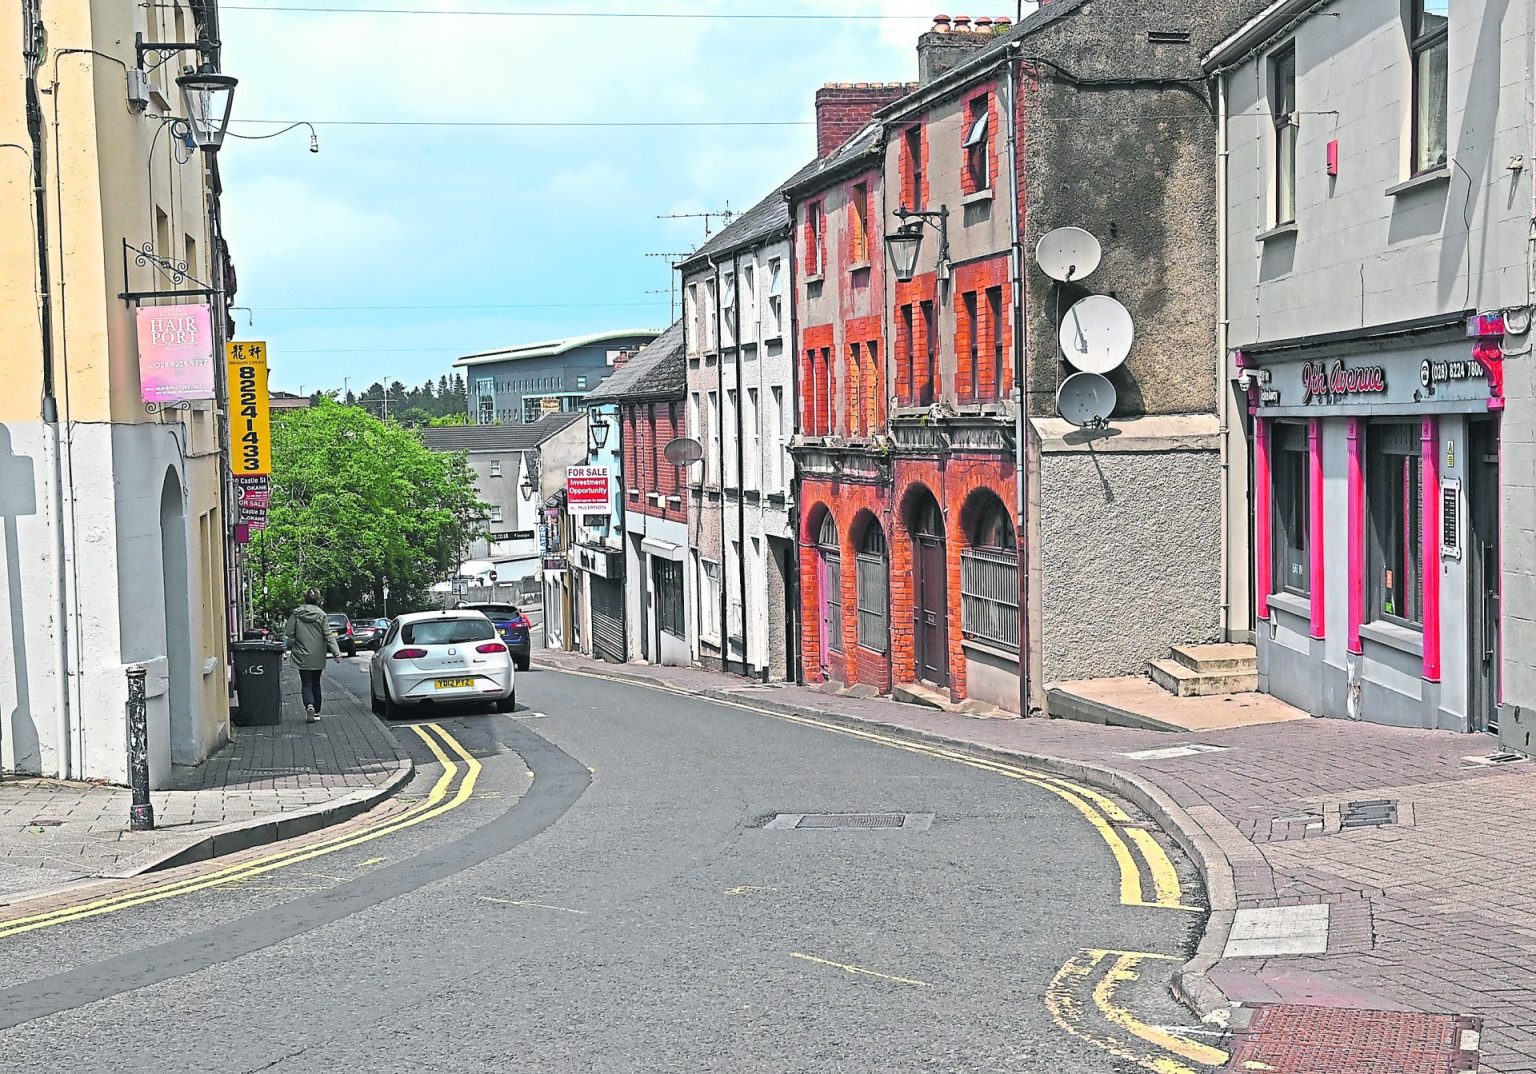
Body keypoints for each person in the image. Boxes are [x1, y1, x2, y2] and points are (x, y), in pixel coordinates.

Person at [285, 588, 342, 722]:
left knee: (306, 683)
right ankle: (316, 711)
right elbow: (328, 635)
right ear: (318, 599)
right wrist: (336, 653)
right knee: (316, 682)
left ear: (305, 598)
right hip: (317, 656)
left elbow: (289, 633)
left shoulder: (296, 613)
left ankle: (309, 705)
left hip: (301, 655)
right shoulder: (322, 615)